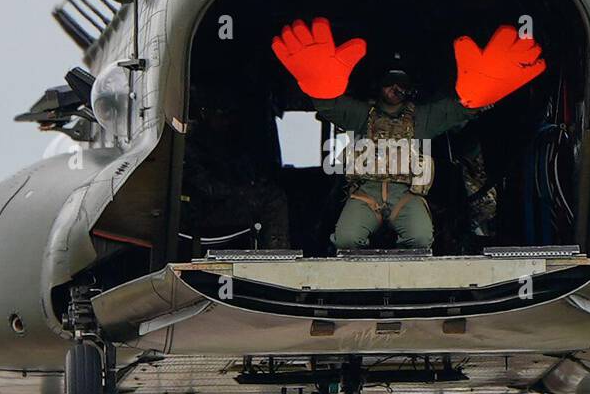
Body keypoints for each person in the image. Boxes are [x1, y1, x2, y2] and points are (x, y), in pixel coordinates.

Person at [271, 17, 544, 251]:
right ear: (379, 85)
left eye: (400, 83)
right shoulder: (360, 114)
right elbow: (327, 103)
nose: (395, 89)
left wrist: (482, 90)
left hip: (407, 194)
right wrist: (321, 80)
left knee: (421, 237)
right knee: (346, 238)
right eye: (389, 82)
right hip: (366, 192)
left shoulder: (422, 117)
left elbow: (461, 110)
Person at [182, 90, 291, 249]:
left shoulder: (220, 142)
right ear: (206, 114)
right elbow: (208, 187)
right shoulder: (192, 144)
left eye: (230, 115)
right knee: (273, 199)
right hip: (200, 211)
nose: (227, 121)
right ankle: (278, 257)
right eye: (222, 115)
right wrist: (243, 190)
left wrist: (253, 183)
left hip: (213, 205)